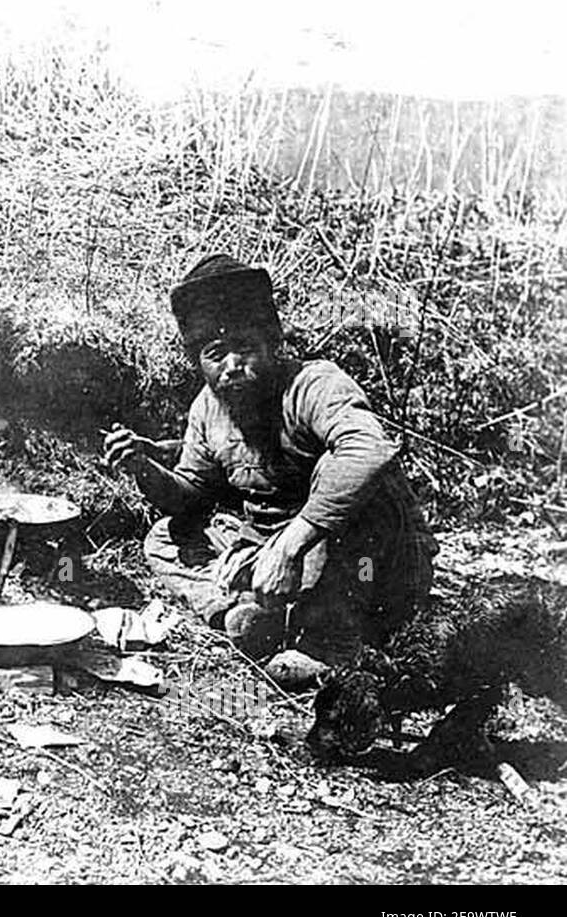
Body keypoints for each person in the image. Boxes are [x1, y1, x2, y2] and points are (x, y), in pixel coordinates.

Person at [103, 254, 437, 678]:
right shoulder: (208, 408)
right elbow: (190, 492)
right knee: (165, 539)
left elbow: (369, 450)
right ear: (198, 361)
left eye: (245, 347)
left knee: (347, 483)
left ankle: (329, 643)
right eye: (215, 353)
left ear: (272, 343)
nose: (232, 366)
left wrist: (291, 543)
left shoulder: (315, 384)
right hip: (275, 551)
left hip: (370, 562)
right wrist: (143, 468)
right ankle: (241, 615)